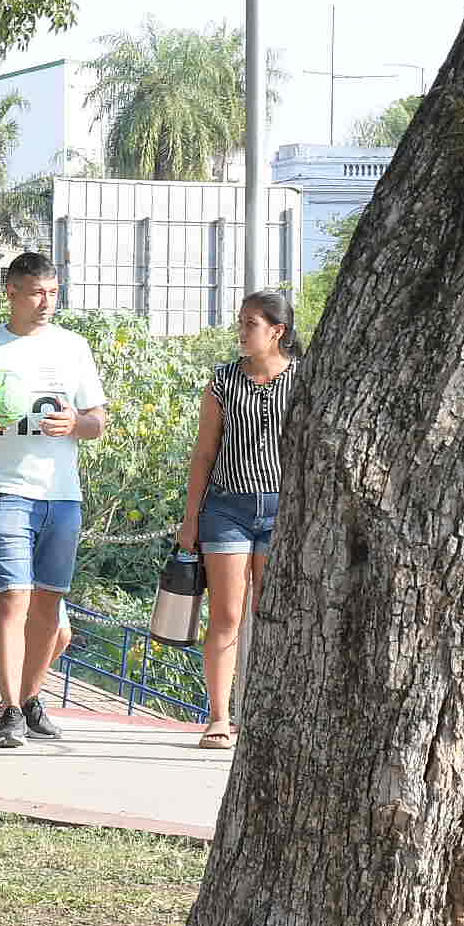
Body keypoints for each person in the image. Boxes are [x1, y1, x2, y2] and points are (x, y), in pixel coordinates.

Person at [0, 250, 108, 749]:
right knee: (10, 597)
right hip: (5, 489)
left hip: (61, 494)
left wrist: (75, 425)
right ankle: (9, 709)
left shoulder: (73, 347)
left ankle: (31, 697)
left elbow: (97, 422)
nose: (45, 303)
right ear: (12, 292)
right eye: (37, 292)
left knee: (48, 605)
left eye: (53, 293)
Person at [174, 286, 300, 750]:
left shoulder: (303, 379)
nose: (242, 332)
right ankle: (219, 717)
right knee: (227, 615)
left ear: (277, 330)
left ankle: (267, 718)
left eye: (251, 324)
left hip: (283, 509)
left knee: (271, 615)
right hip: (227, 507)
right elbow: (204, 453)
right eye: (241, 322)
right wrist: (191, 519)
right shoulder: (223, 380)